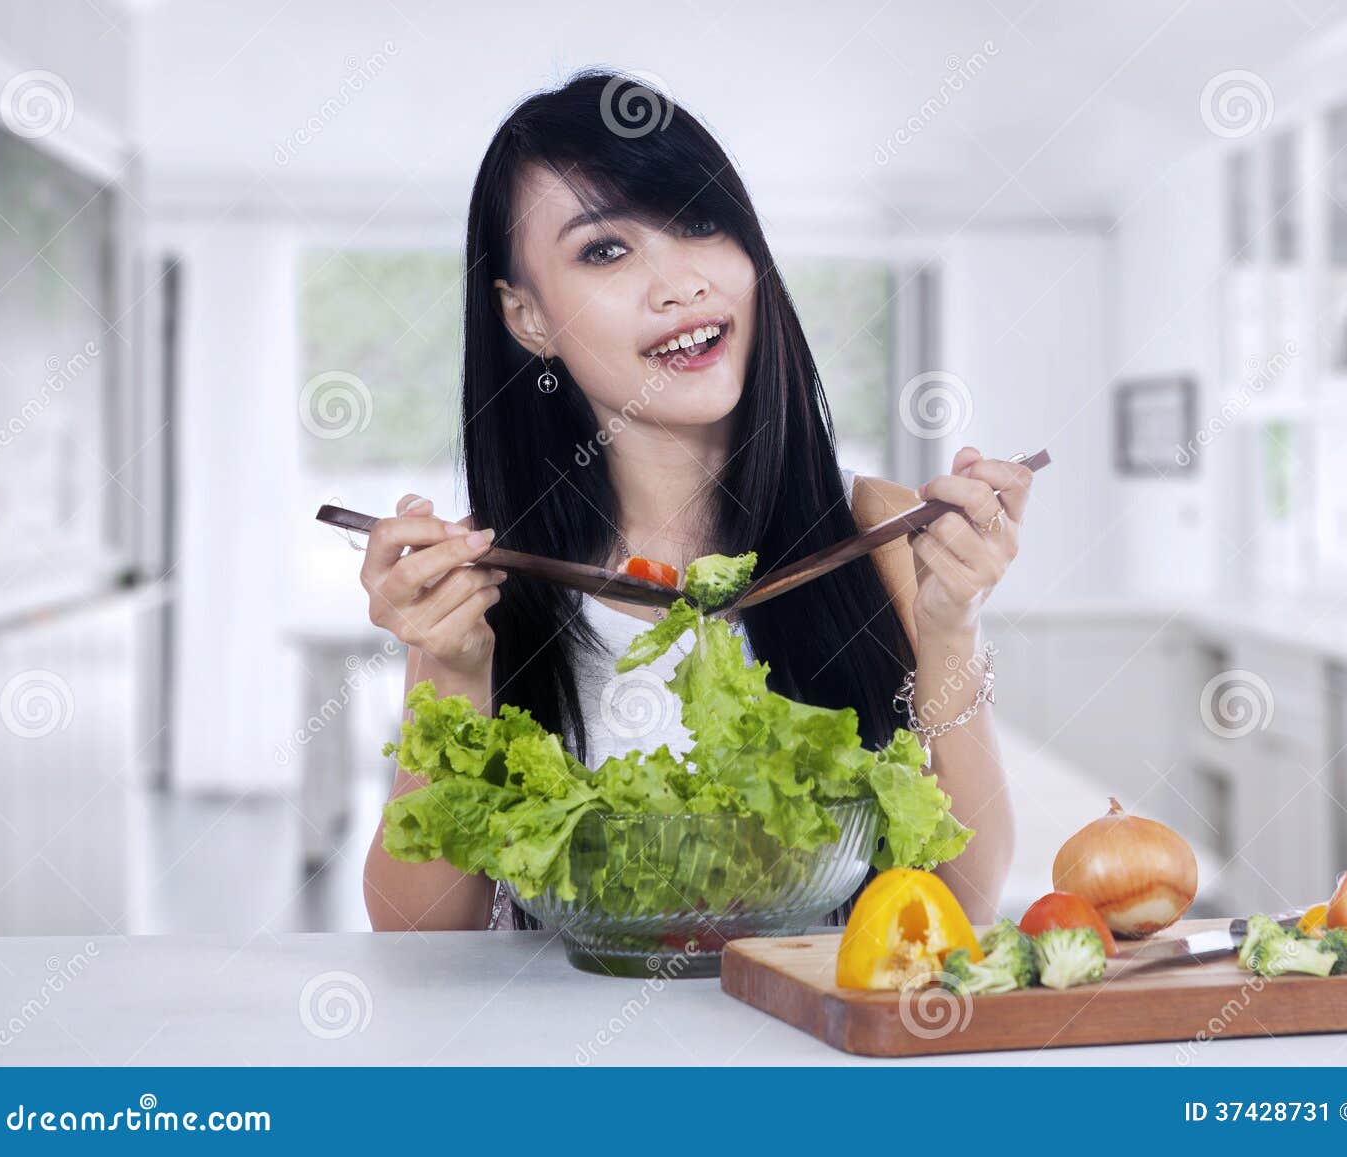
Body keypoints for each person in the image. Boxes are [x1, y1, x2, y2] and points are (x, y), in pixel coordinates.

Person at [361, 69, 1033, 933]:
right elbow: (418, 943)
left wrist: (953, 627)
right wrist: (452, 674)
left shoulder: (875, 530)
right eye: (605, 250)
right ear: (527, 316)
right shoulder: (488, 588)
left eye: (699, 223)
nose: (678, 284)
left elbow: (962, 903)